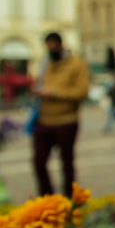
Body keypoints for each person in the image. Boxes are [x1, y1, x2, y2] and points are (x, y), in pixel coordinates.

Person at [32, 32, 89, 198]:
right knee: (38, 163)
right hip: (44, 119)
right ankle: (47, 198)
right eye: (47, 46)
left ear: (60, 45)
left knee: (67, 163)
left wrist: (54, 93)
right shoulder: (46, 63)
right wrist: (38, 91)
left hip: (66, 119)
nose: (50, 49)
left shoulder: (76, 64)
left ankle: (69, 199)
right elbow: (41, 83)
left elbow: (82, 92)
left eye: (52, 45)